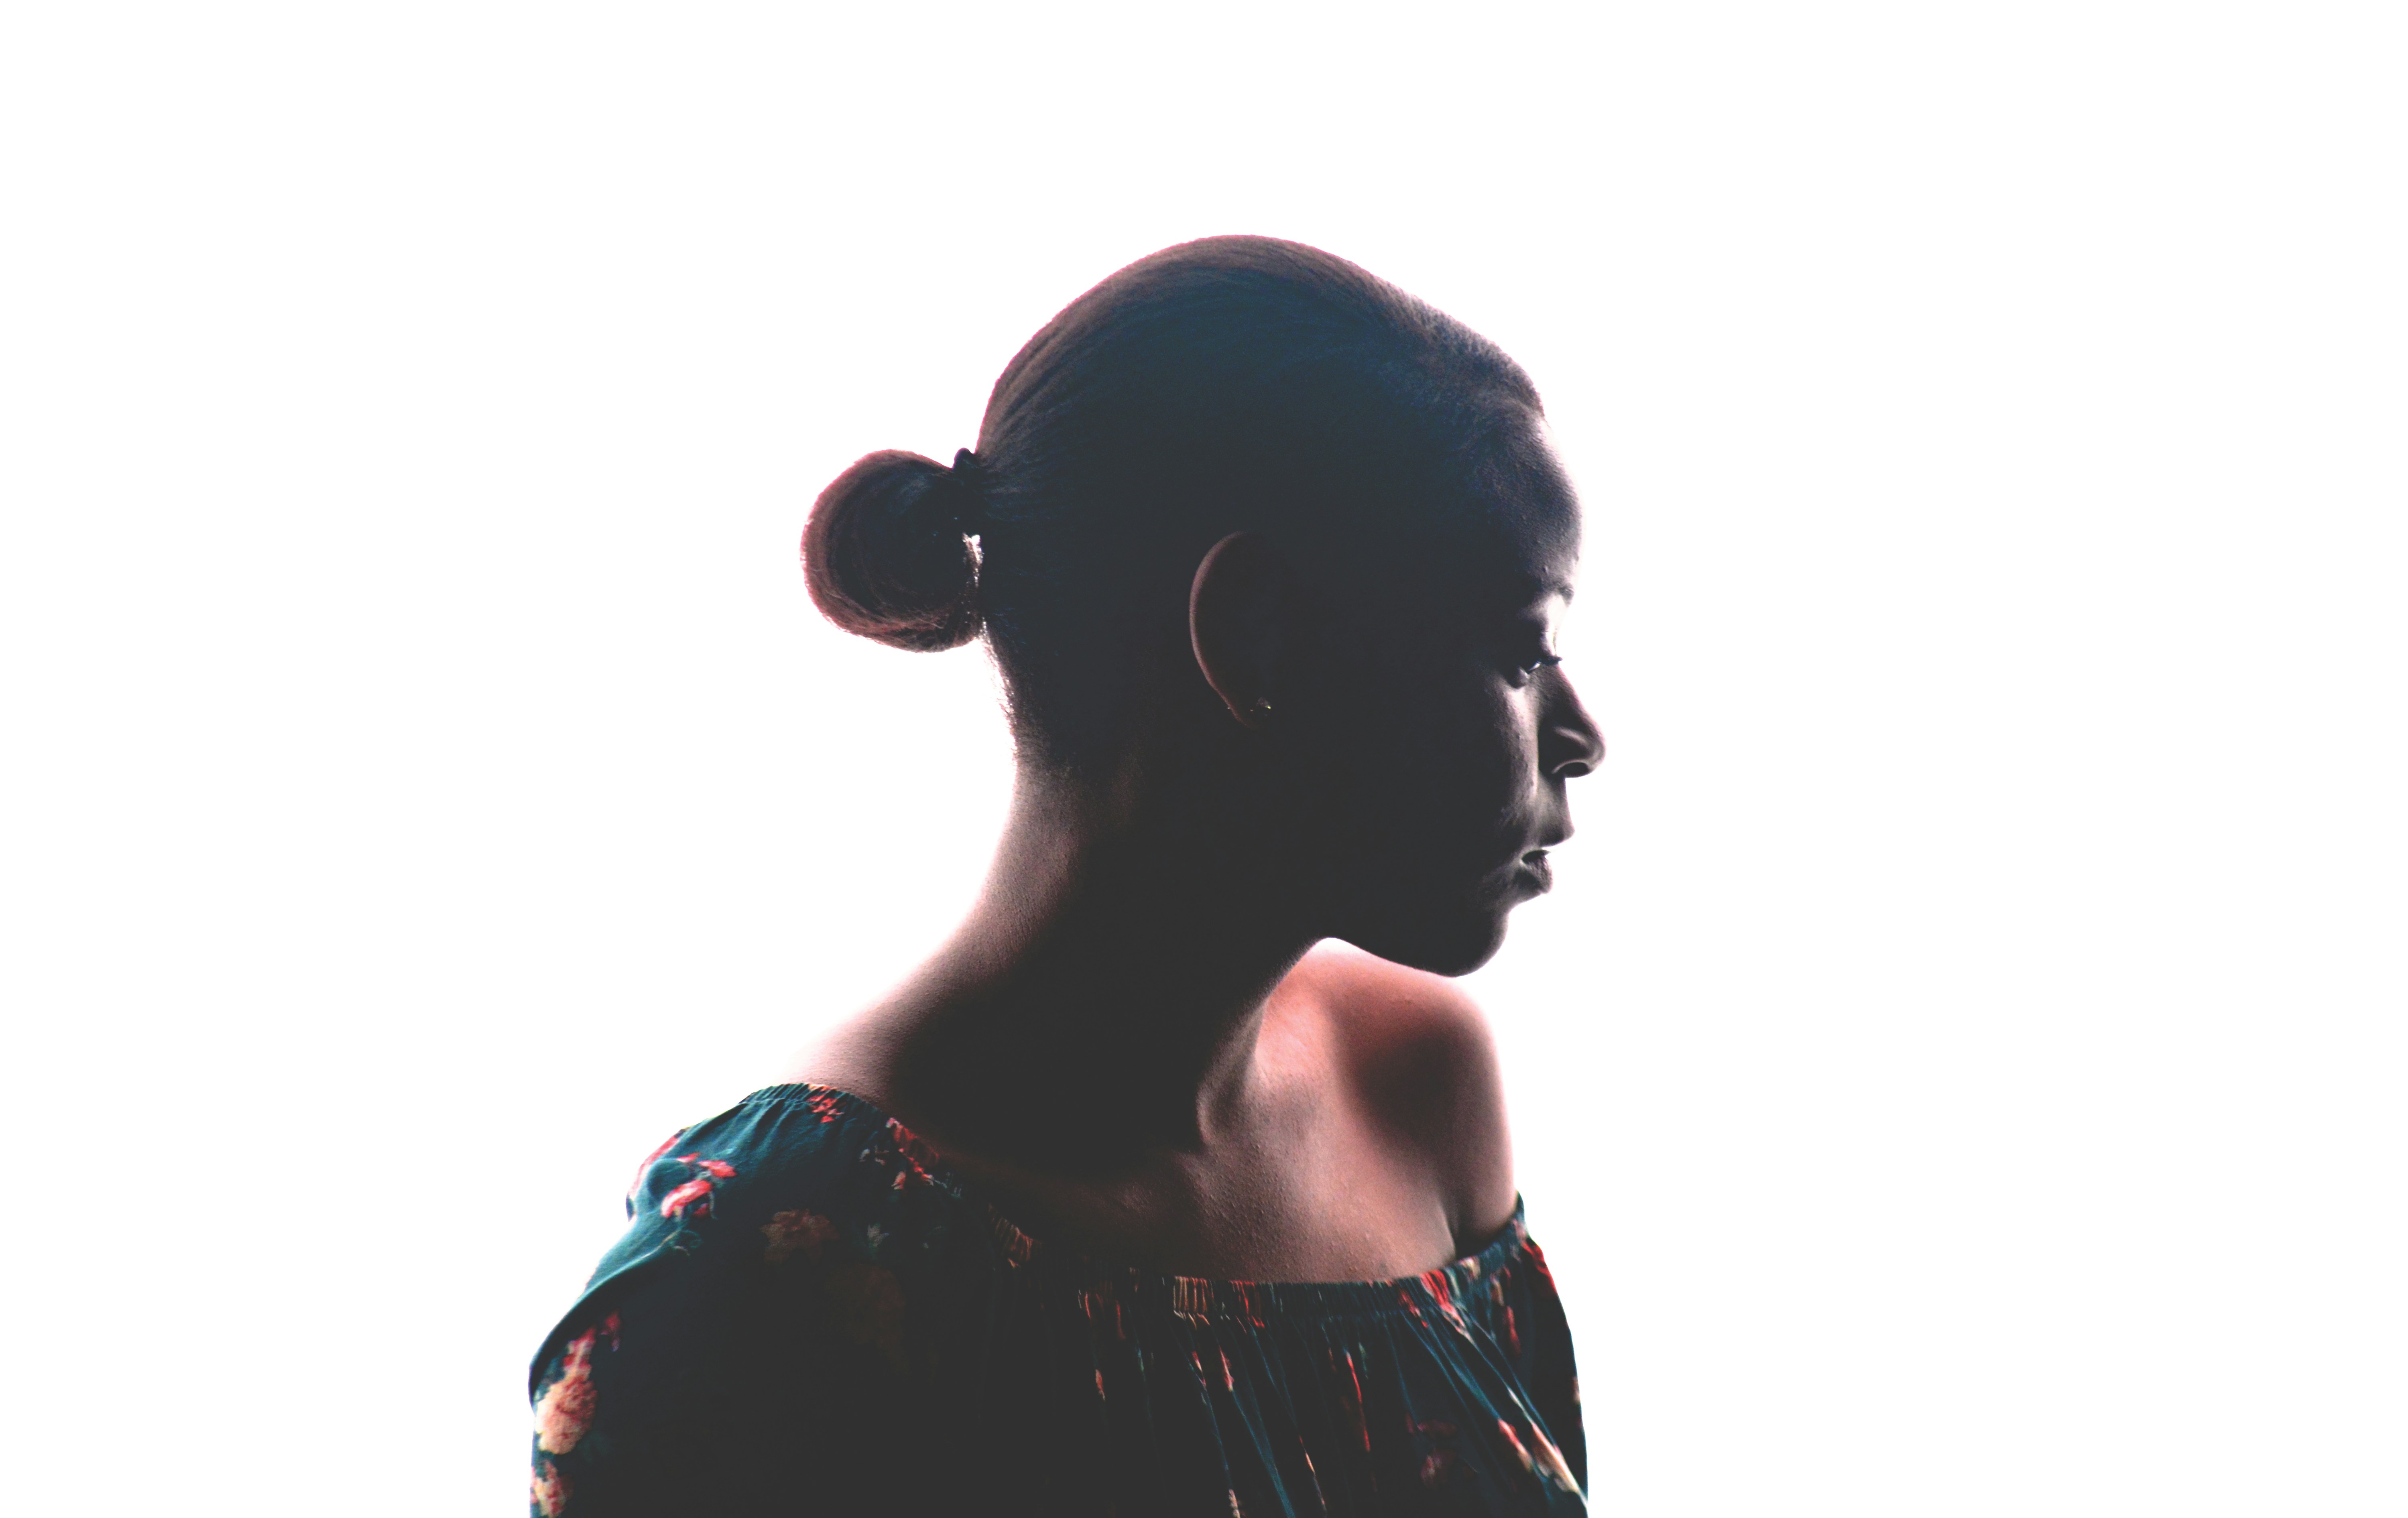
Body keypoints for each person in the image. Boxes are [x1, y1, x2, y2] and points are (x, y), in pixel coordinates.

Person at [528, 235, 1606, 1516]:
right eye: (1524, 651)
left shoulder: (1417, 1092)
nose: (1585, 735)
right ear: (1255, 637)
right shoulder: (759, 1289)